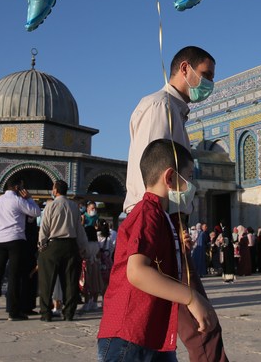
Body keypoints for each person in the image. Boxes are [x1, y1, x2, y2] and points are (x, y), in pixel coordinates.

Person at [124, 45, 228, 362]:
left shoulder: (174, 111)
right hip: (158, 227)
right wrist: (168, 227)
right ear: (185, 69)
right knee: (202, 326)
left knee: (154, 332)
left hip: (164, 225)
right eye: (206, 75)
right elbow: (153, 176)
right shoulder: (160, 108)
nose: (209, 83)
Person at [97, 139, 218, 361]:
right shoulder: (147, 213)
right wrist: (191, 298)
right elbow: (137, 272)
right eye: (189, 177)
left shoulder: (162, 216)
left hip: (153, 335)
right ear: (170, 177)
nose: (193, 185)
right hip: (129, 337)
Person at [0, 178, 41, 321]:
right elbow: (36, 212)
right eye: (21, 186)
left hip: (0, 241)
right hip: (15, 240)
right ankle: (13, 312)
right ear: (16, 187)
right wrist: (30, 199)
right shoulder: (18, 200)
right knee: (14, 276)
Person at [37, 179, 87, 322]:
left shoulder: (50, 206)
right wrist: (83, 247)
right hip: (71, 245)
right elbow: (79, 229)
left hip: (53, 245)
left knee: (47, 281)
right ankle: (69, 312)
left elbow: (44, 227)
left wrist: (41, 245)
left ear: (55, 190)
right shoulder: (74, 206)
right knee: (70, 281)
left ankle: (46, 312)